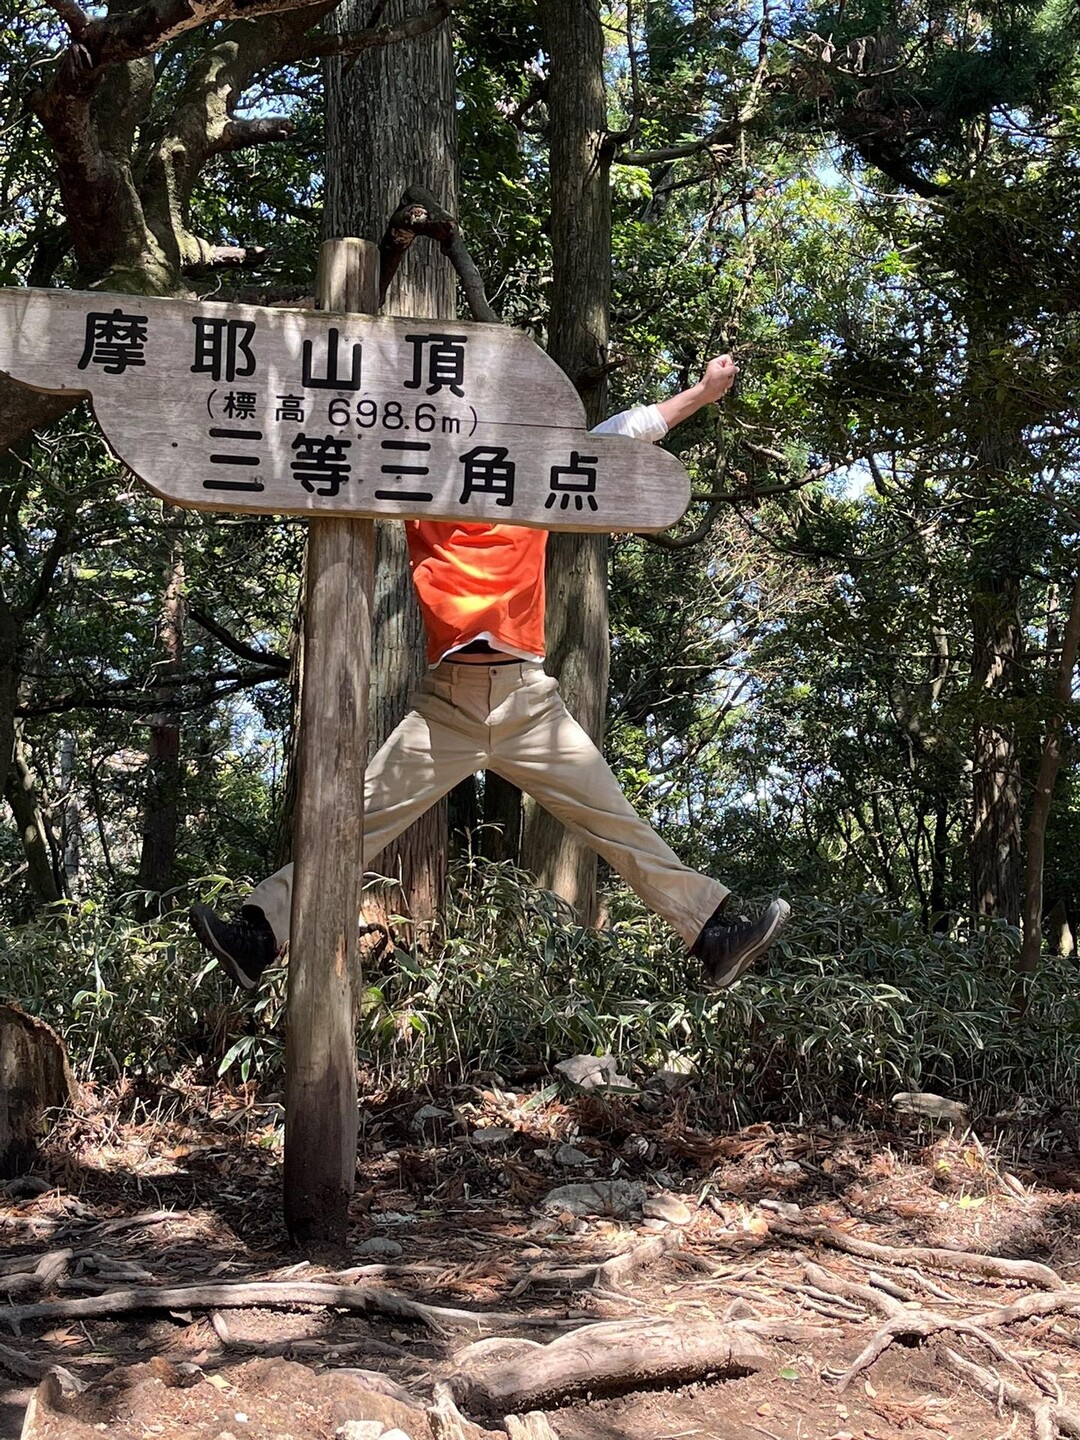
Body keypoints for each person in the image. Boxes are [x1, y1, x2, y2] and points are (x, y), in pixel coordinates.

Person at [191, 355, 789, 990]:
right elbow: (335, 441)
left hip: (527, 702)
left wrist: (699, 395)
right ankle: (259, 936)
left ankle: (713, 933)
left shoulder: (532, 479)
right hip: (446, 704)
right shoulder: (414, 478)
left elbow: (622, 435)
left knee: (614, 819)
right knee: (354, 823)